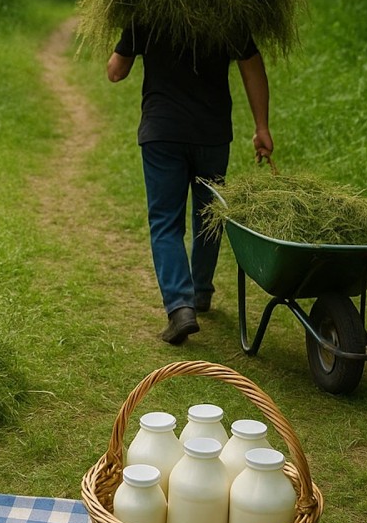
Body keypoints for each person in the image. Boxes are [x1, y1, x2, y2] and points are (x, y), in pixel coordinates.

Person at [107, 24, 273, 344]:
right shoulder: (227, 13)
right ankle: (200, 292)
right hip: (212, 135)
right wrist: (261, 127)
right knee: (209, 215)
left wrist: (127, 37)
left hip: (162, 134)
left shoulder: (147, 14)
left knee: (165, 222)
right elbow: (252, 67)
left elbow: (116, 71)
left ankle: (180, 307)